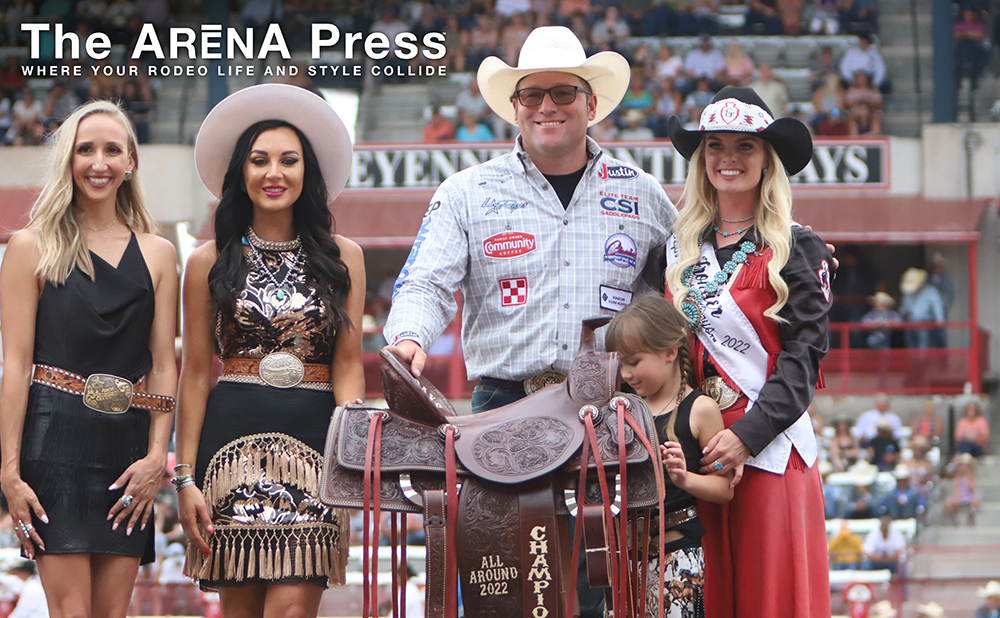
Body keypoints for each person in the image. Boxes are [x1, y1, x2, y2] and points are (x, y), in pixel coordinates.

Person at [384, 26, 677, 618]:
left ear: (591, 103)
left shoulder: (643, 193)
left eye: (564, 93)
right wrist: (410, 337)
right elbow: (425, 281)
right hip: (500, 407)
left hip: (609, 406)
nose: (548, 106)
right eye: (532, 95)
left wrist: (789, 248)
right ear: (514, 108)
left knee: (605, 585)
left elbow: (685, 286)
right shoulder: (466, 192)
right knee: (499, 585)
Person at [175, 84, 364, 615]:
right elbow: (194, 374)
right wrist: (184, 478)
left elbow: (348, 365)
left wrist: (352, 442)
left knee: (295, 609)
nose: (273, 173)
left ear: (308, 173)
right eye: (259, 161)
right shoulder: (206, 261)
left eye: (288, 160)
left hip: (316, 449)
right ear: (241, 173)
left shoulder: (344, 257)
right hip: (229, 451)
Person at [0, 100, 177, 618]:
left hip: (128, 449)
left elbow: (164, 366)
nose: (98, 162)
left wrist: (155, 460)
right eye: (85, 149)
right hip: (52, 441)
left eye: (112, 149)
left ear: (131, 161)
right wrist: (8, 473)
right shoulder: (30, 247)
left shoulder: (159, 252)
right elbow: (15, 365)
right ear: (68, 160)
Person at [665, 86, 832, 617]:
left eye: (745, 147)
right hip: (694, 448)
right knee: (699, 599)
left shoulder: (797, 245)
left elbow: (803, 359)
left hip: (769, 445)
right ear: (700, 159)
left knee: (771, 599)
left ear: (767, 160)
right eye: (715, 146)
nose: (728, 159)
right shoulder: (672, 251)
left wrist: (746, 437)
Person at [605, 293, 734, 618]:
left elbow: (724, 489)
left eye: (633, 362)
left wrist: (684, 477)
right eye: (620, 363)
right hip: (623, 558)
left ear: (669, 353)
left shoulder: (700, 409)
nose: (626, 373)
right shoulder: (621, 408)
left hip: (677, 554)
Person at [945, 453, 979, 526]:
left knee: (975, 501)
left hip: (968, 495)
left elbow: (972, 488)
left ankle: (971, 516)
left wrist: (968, 478)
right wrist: (957, 497)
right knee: (947, 502)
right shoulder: (957, 477)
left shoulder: (971, 477)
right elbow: (956, 488)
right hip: (960, 495)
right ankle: (954, 519)